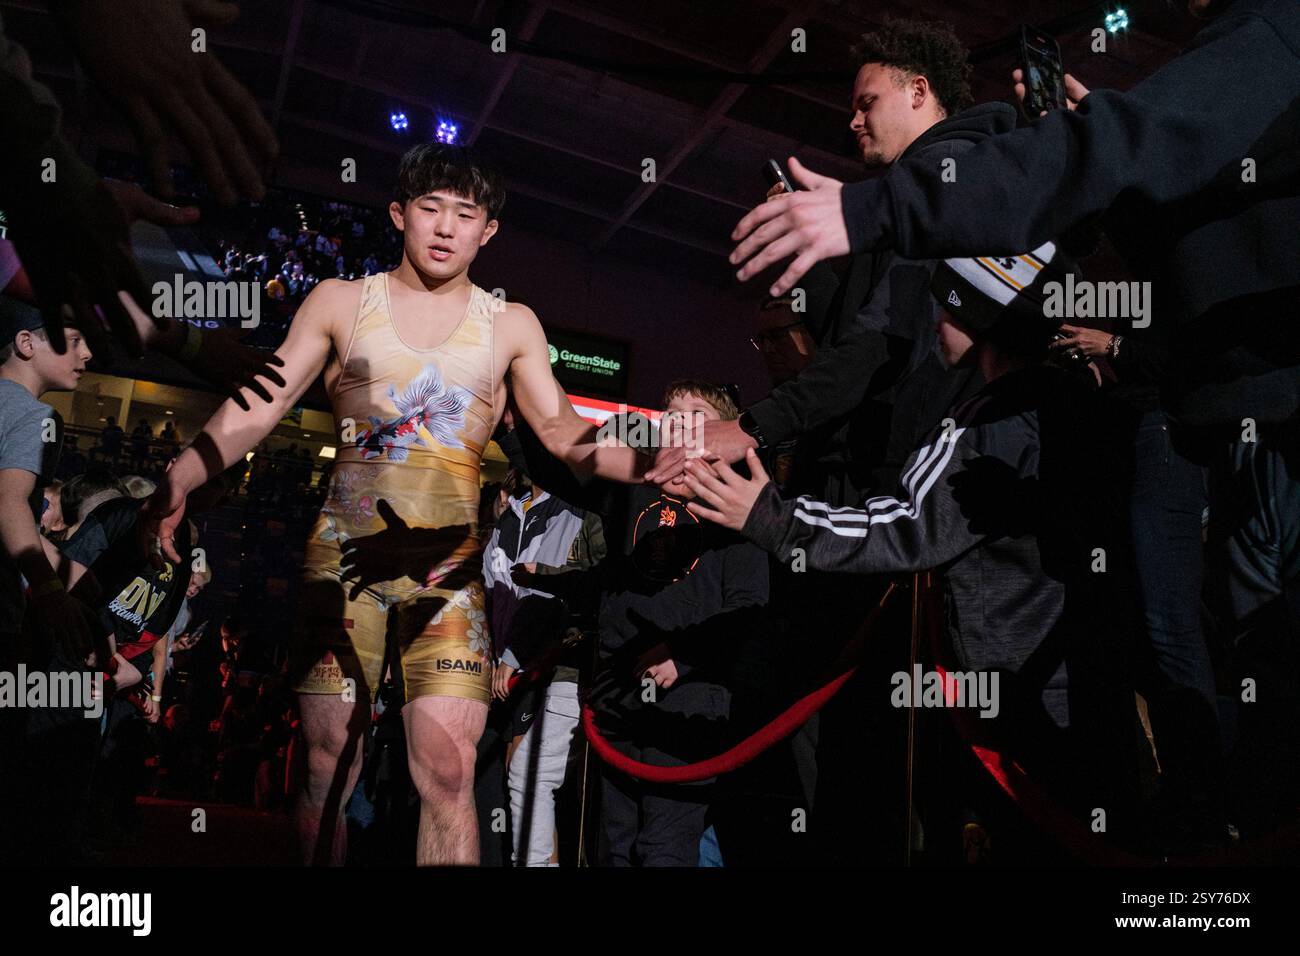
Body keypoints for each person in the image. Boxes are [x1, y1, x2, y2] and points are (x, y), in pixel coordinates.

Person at [141, 143, 646, 866]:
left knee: (446, 772)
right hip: (341, 566)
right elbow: (266, 401)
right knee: (326, 768)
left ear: (488, 231)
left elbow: (567, 434)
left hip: (448, 577)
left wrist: (668, 455)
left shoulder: (511, 325)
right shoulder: (341, 302)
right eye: (430, 209)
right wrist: (183, 476)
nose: (445, 228)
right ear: (399, 214)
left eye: (464, 214)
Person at [687, 245, 1141, 856]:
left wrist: (766, 517)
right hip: (1083, 689)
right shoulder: (1081, 408)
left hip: (1005, 701)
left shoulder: (983, 419)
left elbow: (903, 528)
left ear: (984, 321)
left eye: (949, 306)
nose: (933, 320)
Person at [648, 17, 1003, 503]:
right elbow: (852, 328)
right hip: (861, 462)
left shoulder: (945, 185)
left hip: (886, 474)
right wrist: (801, 248)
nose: (854, 121)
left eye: (867, 103)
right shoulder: (902, 195)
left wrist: (752, 426)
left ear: (918, 92)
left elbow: (883, 341)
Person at [592, 380, 770, 866]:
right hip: (617, 692)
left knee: (665, 845)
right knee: (616, 843)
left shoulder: (736, 505)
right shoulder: (633, 490)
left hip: (688, 699)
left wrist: (684, 655)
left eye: (696, 411)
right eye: (671, 410)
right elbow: (566, 466)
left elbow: (751, 605)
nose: (679, 418)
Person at [483, 460, 606, 866]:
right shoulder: (511, 516)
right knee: (524, 775)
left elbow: (594, 586)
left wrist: (545, 577)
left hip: (566, 663)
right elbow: (494, 591)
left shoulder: (581, 510)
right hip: (526, 662)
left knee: (539, 778)